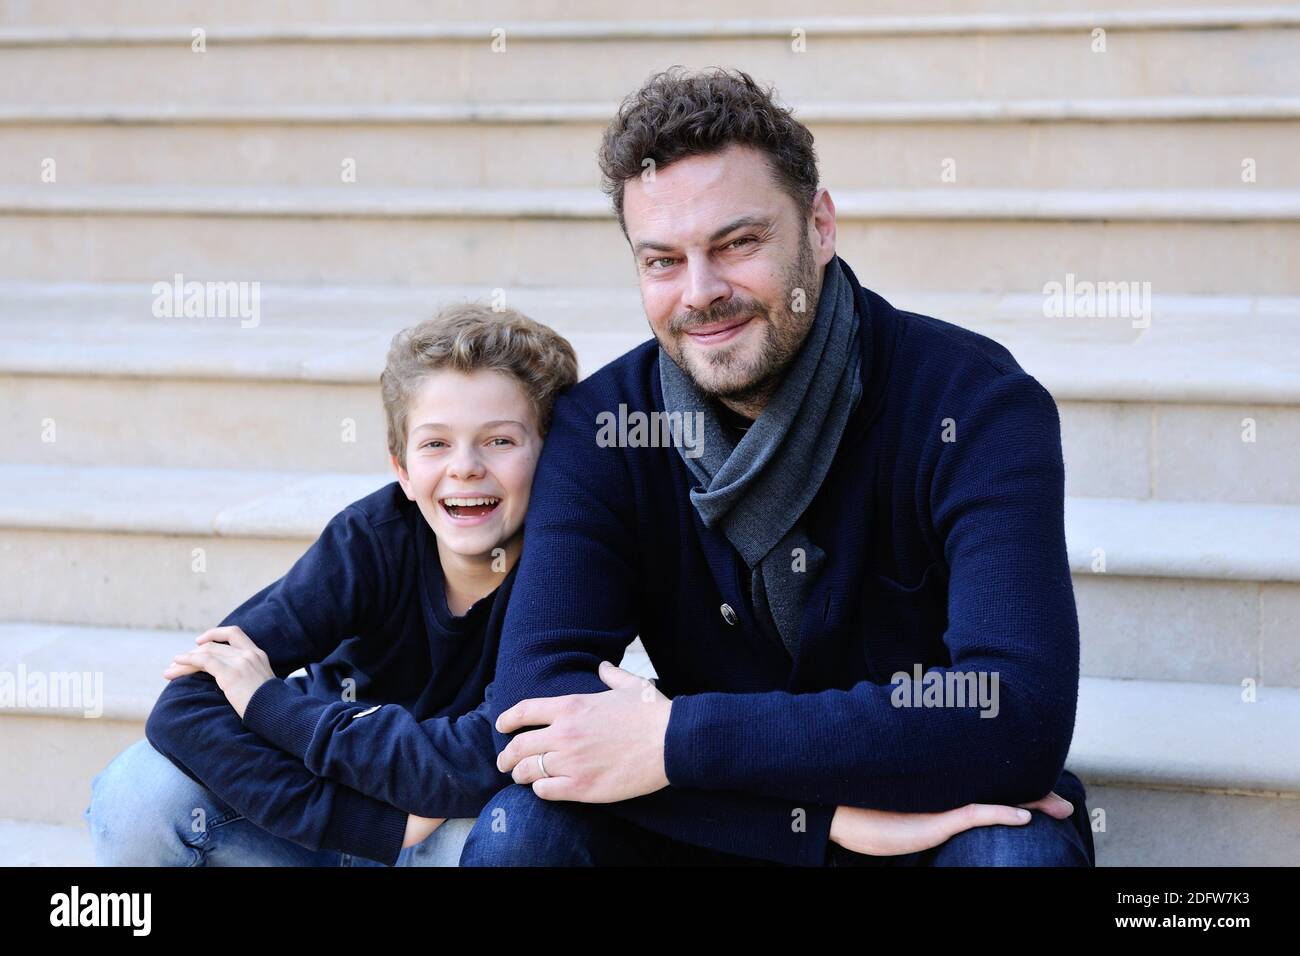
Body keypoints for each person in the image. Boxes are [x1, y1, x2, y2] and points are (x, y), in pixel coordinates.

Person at [460, 67, 1095, 867]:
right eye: (662, 261)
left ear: (819, 227)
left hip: (928, 824)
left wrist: (678, 737)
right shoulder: (606, 428)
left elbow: (1014, 717)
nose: (700, 293)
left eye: (738, 243)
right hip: (720, 827)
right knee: (525, 832)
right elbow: (533, 710)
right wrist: (817, 819)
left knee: (1018, 856)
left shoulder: (974, 404)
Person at [83, 303, 578, 866]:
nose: (464, 467)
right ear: (402, 470)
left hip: (448, 830)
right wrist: (362, 824)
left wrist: (270, 705)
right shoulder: (370, 539)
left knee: (523, 830)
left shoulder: (568, 567)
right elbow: (186, 703)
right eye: (436, 443)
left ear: (551, 456)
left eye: (499, 441)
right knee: (138, 791)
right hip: (336, 815)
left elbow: (483, 752)